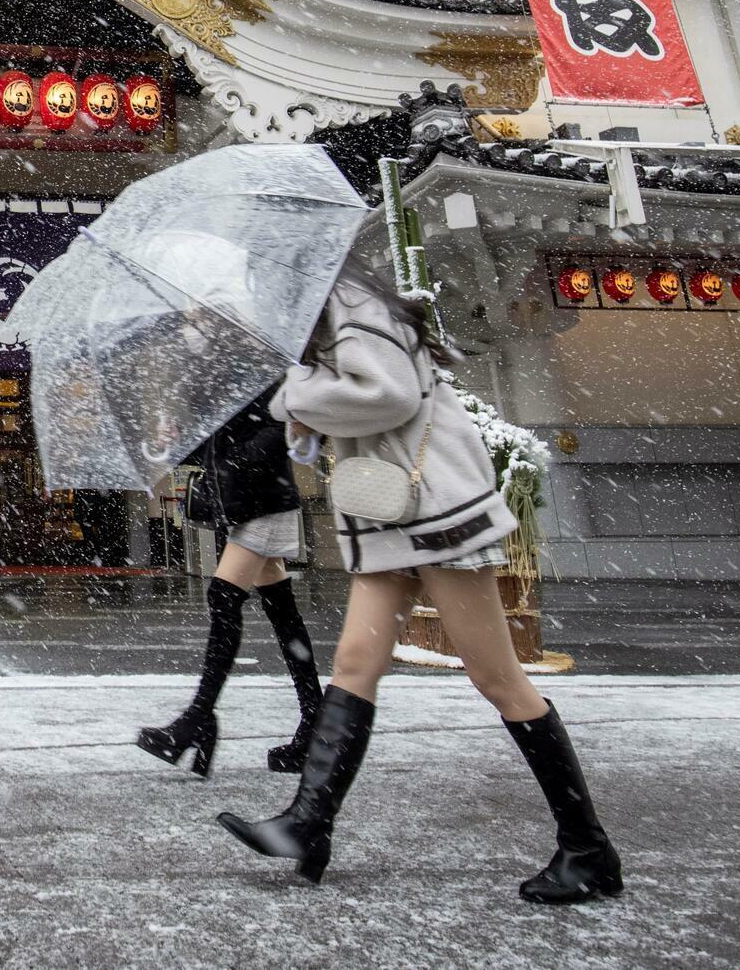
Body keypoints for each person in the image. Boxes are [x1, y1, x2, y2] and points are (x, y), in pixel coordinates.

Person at [213, 267, 623, 904]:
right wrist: (305, 414)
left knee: (498, 678)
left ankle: (587, 849)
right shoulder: (335, 312)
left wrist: (292, 394)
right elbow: (361, 403)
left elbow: (389, 393)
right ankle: (307, 824)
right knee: (353, 664)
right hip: (391, 517)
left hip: (433, 512)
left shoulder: (350, 302)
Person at [136, 392, 324, 778]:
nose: (193, 328)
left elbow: (279, 432)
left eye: (195, 324)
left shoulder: (262, 366)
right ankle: (315, 724)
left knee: (223, 598)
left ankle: (197, 720)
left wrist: (231, 465)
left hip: (263, 501)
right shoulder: (223, 374)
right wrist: (177, 440)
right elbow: (216, 444)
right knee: (281, 609)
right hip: (243, 503)